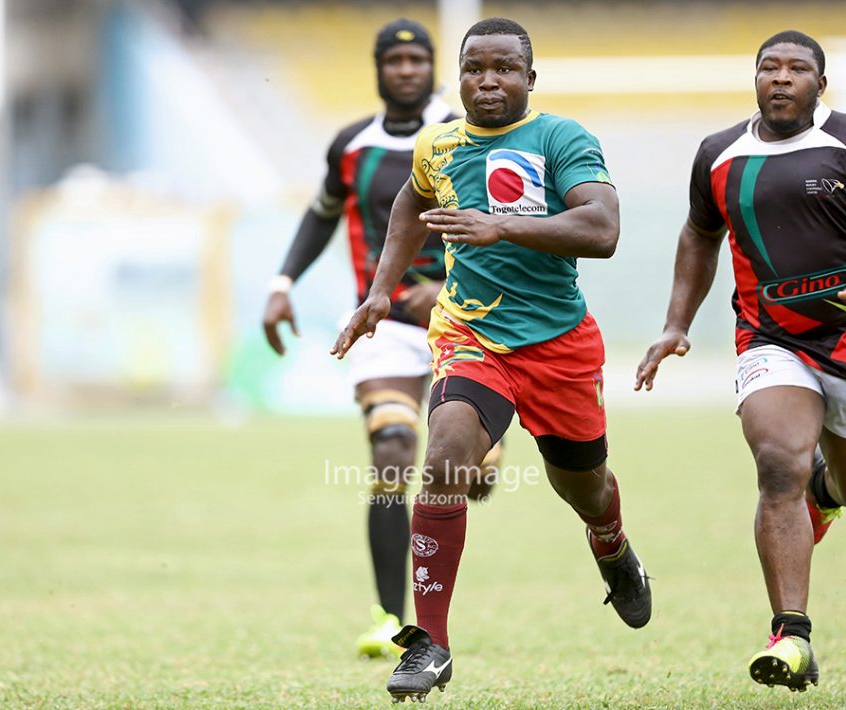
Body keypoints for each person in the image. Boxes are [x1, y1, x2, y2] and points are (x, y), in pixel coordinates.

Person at [332, 17, 652, 703]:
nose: (489, 80)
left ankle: (612, 546)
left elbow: (603, 229)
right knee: (444, 456)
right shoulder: (439, 145)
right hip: (471, 338)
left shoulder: (561, 138)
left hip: (558, 346)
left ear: (530, 79)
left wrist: (502, 224)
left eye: (505, 68)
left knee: (584, 488)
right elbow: (408, 206)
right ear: (461, 75)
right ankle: (431, 646)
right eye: (476, 67)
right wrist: (380, 292)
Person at [635, 30, 846, 692]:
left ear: (819, 85)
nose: (780, 77)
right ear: (755, 79)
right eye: (768, 67)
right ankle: (791, 635)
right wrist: (675, 325)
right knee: (778, 465)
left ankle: (826, 491)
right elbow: (698, 233)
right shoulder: (719, 154)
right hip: (770, 340)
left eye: (797, 69)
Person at [261, 18, 500, 659]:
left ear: (431, 67)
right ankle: (391, 622)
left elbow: (498, 222)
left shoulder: (467, 132)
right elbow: (320, 215)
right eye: (394, 62)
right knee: (393, 452)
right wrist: (282, 281)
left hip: (465, 317)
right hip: (382, 322)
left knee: (464, 474)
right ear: (377, 69)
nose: (406, 70)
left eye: (418, 60)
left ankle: (487, 448)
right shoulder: (350, 145)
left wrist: (446, 284)